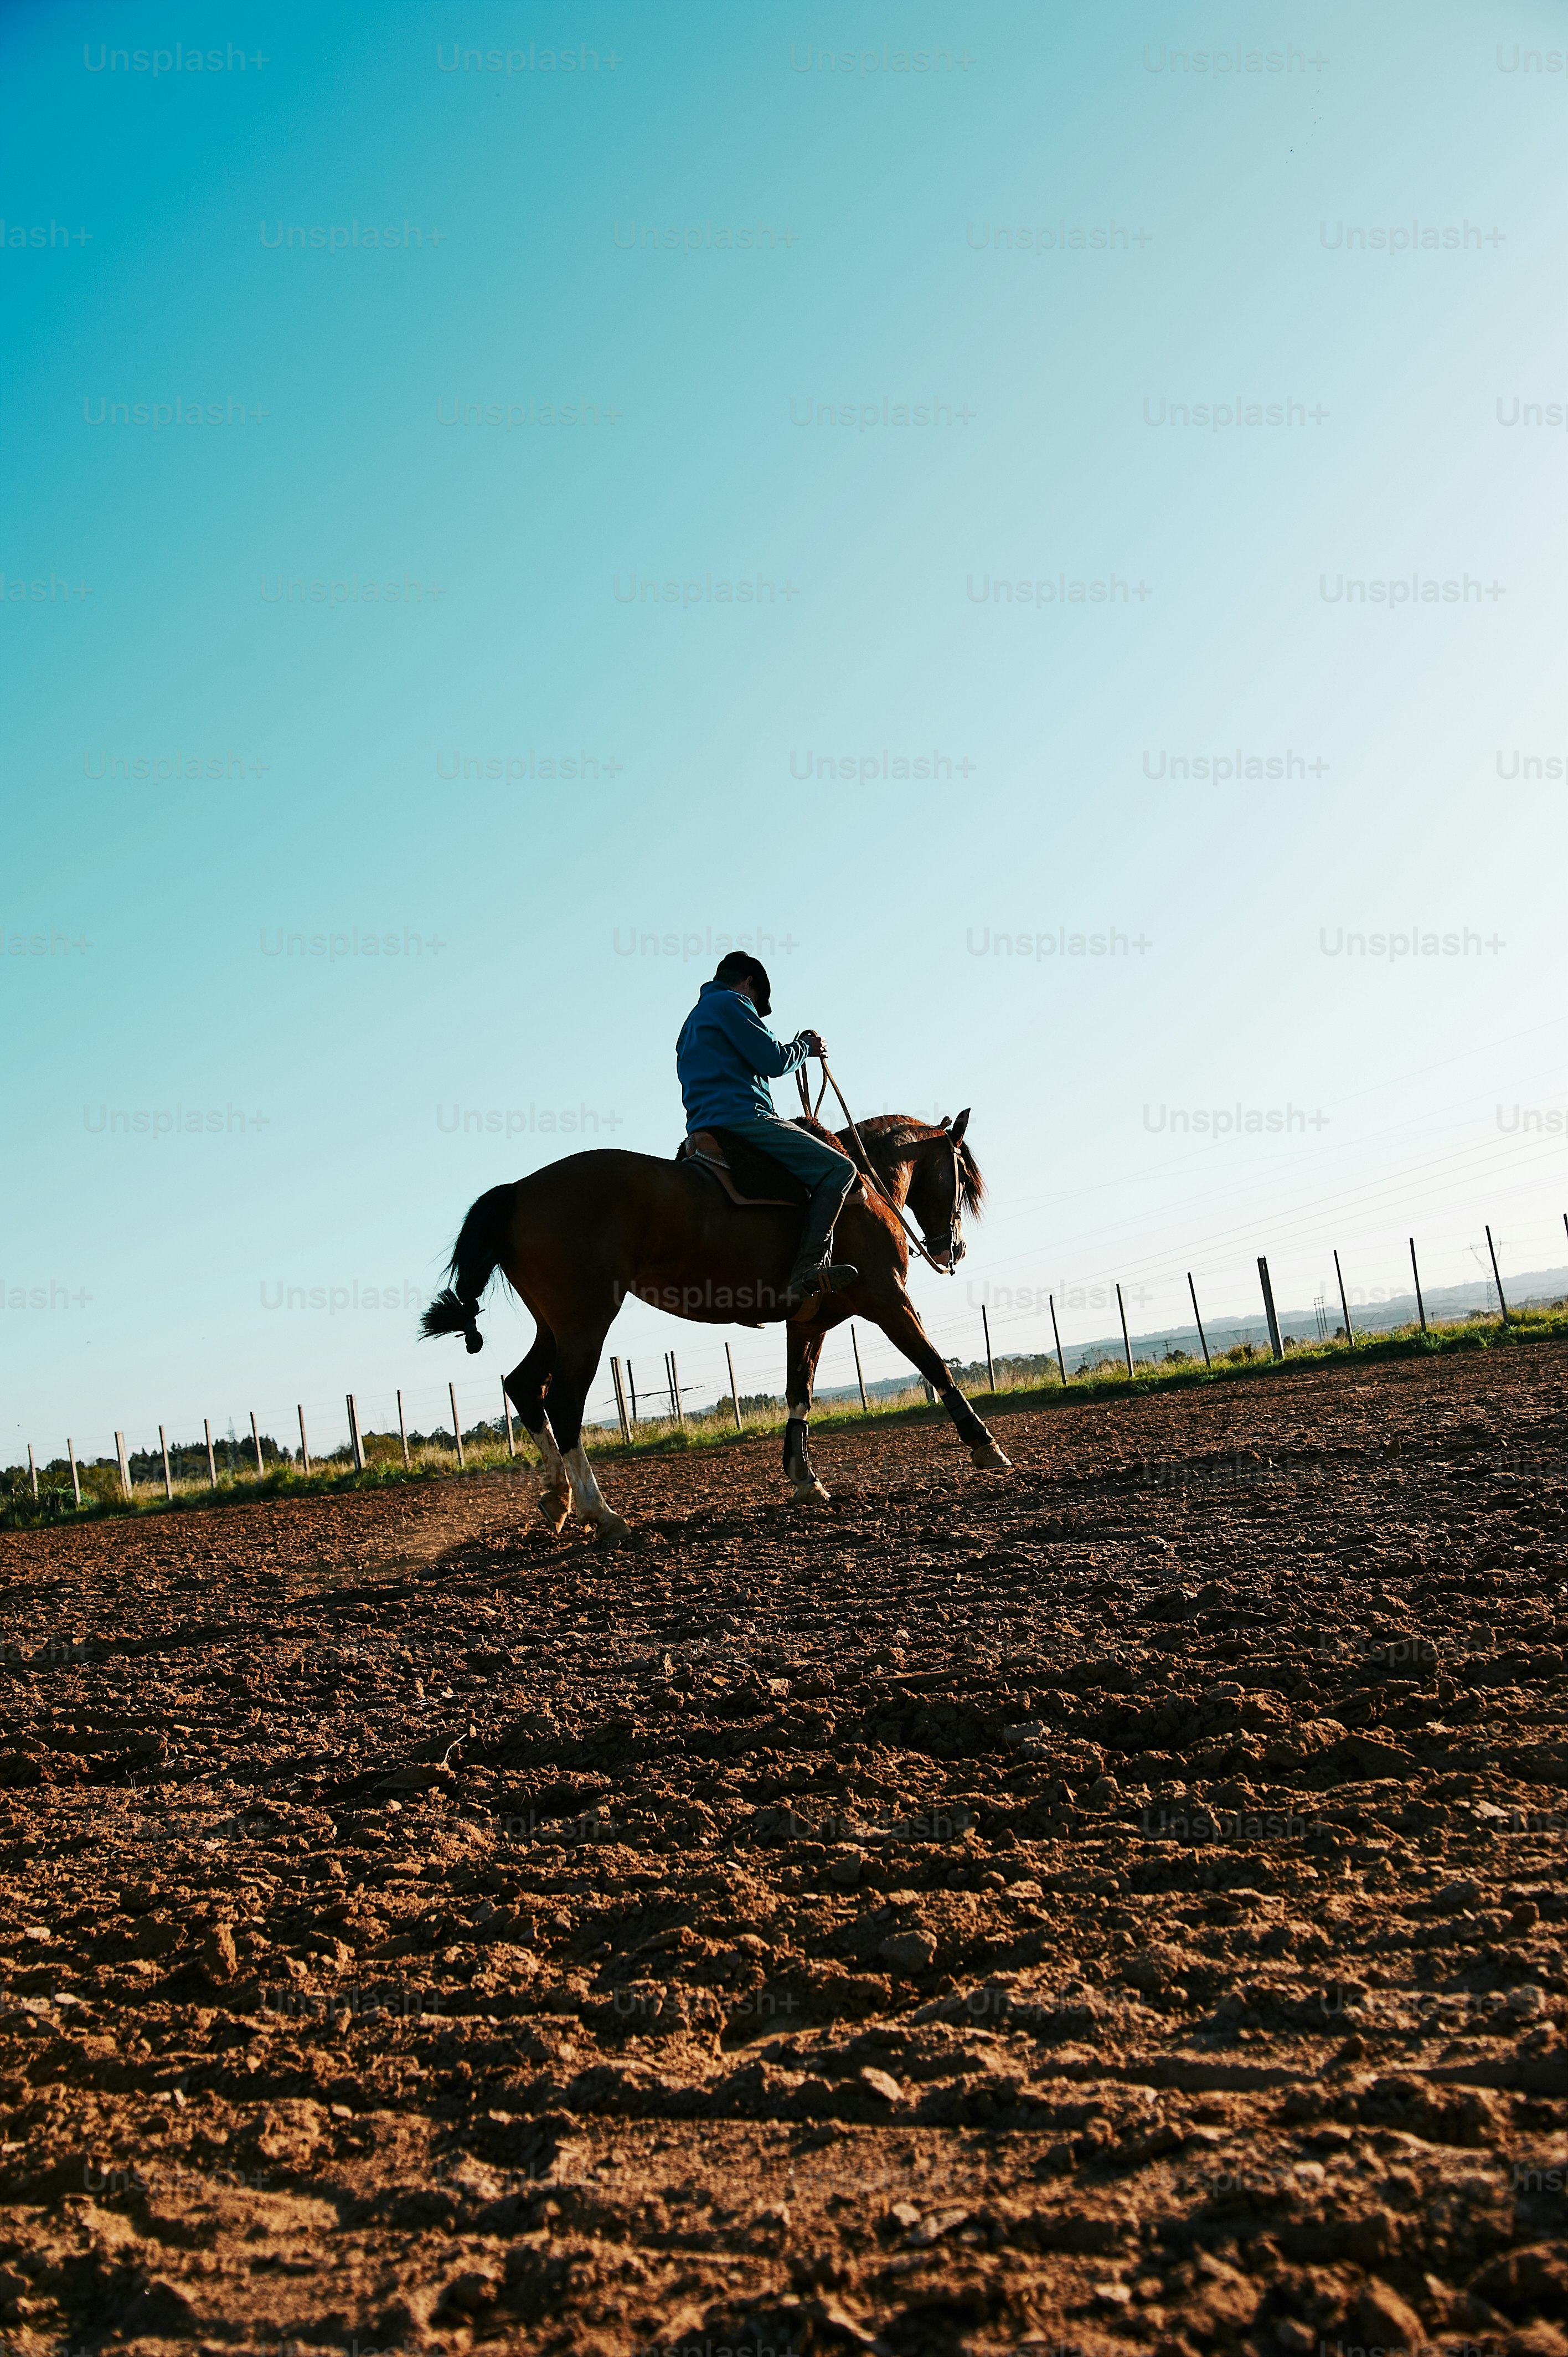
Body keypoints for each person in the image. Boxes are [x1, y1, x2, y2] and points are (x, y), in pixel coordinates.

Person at [676, 952, 859, 1311]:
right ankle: (809, 1267)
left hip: (701, 1126)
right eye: (757, 999)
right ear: (748, 983)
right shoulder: (733, 1002)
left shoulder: (690, 1023)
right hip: (743, 1117)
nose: (755, 1006)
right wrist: (805, 1047)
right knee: (841, 1169)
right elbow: (774, 1061)